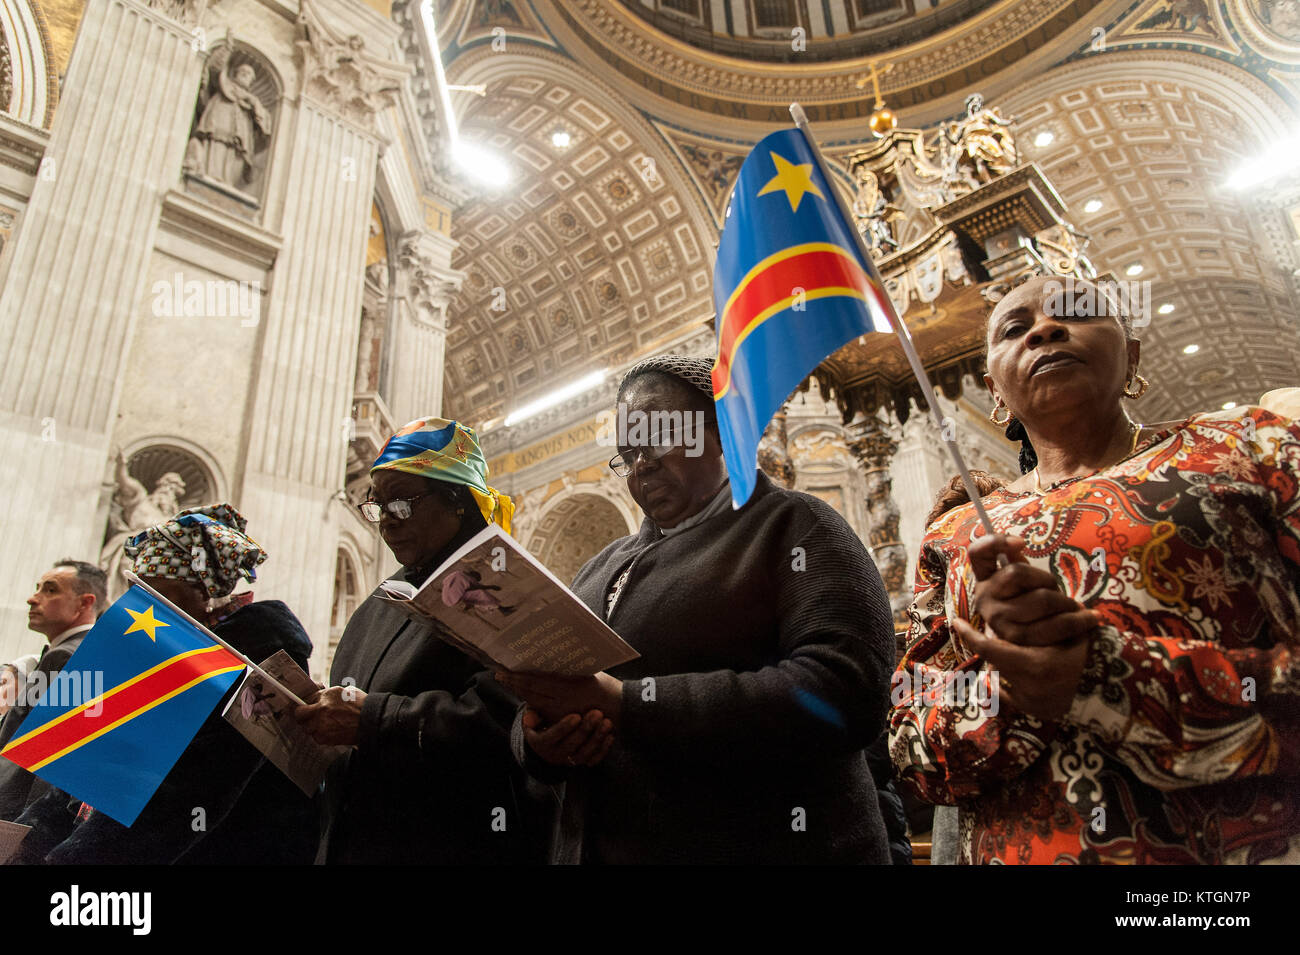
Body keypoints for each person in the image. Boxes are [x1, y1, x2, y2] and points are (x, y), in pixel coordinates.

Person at [889, 274, 1300, 864]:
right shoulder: (955, 532)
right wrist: (1011, 693)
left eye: (1075, 313)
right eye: (1014, 328)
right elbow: (911, 741)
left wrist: (1104, 673)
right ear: (994, 393)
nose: (1046, 329)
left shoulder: (1249, 448)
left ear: (1131, 357)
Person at [498, 355, 896, 864]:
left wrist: (630, 704)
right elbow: (539, 699)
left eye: (660, 437)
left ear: (724, 431)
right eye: (628, 451)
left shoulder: (794, 526)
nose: (642, 462)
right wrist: (539, 740)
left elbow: (846, 692)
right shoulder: (599, 568)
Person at [295, 418, 554, 864]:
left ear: (457, 500)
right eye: (377, 507)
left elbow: (508, 724)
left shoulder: (505, 589)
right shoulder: (379, 602)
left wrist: (371, 720)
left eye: (402, 504)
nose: (387, 524)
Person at [8, 504, 318, 865]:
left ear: (202, 592)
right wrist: (21, 843)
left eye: (154, 593)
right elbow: (79, 774)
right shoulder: (159, 655)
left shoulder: (248, 661)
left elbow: (184, 797)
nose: (138, 608)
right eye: (135, 590)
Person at [0, 560, 106, 820]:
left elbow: (51, 751)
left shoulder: (69, 654)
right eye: (37, 588)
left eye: (50, 590)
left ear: (85, 603)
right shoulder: (88, 650)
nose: (31, 599)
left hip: (17, 814)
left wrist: (27, 826)